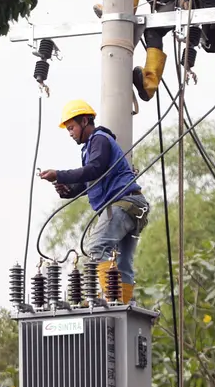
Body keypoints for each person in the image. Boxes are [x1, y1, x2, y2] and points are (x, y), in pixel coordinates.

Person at [38, 100, 150, 303]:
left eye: (71, 127)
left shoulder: (99, 140)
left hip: (123, 204)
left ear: (84, 121)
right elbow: (92, 179)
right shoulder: (93, 147)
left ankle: (111, 299)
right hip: (134, 206)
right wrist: (68, 191)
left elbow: (94, 169)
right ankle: (122, 303)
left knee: (96, 248)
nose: (70, 133)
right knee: (122, 262)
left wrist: (59, 175)